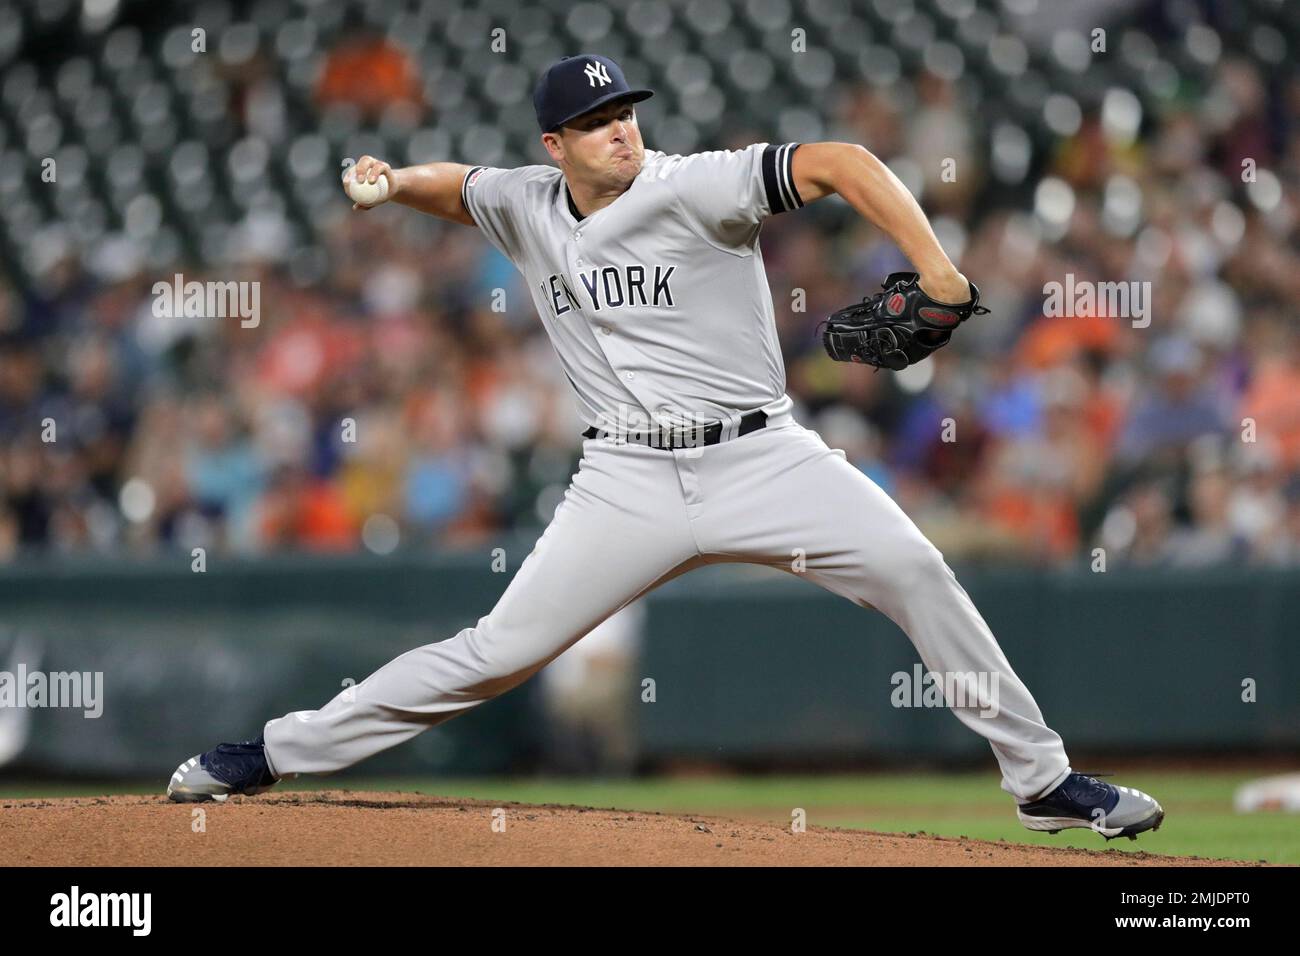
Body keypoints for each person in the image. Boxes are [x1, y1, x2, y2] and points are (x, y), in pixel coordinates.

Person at [168, 54, 1163, 841]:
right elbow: (458, 187)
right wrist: (390, 185)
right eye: (598, 122)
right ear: (556, 144)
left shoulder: (695, 187)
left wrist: (937, 268)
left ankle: (1039, 778)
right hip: (625, 478)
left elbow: (841, 163)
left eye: (627, 112)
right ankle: (268, 753)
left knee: (915, 566)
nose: (621, 130)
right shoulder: (526, 199)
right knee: (493, 654)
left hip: (761, 458)